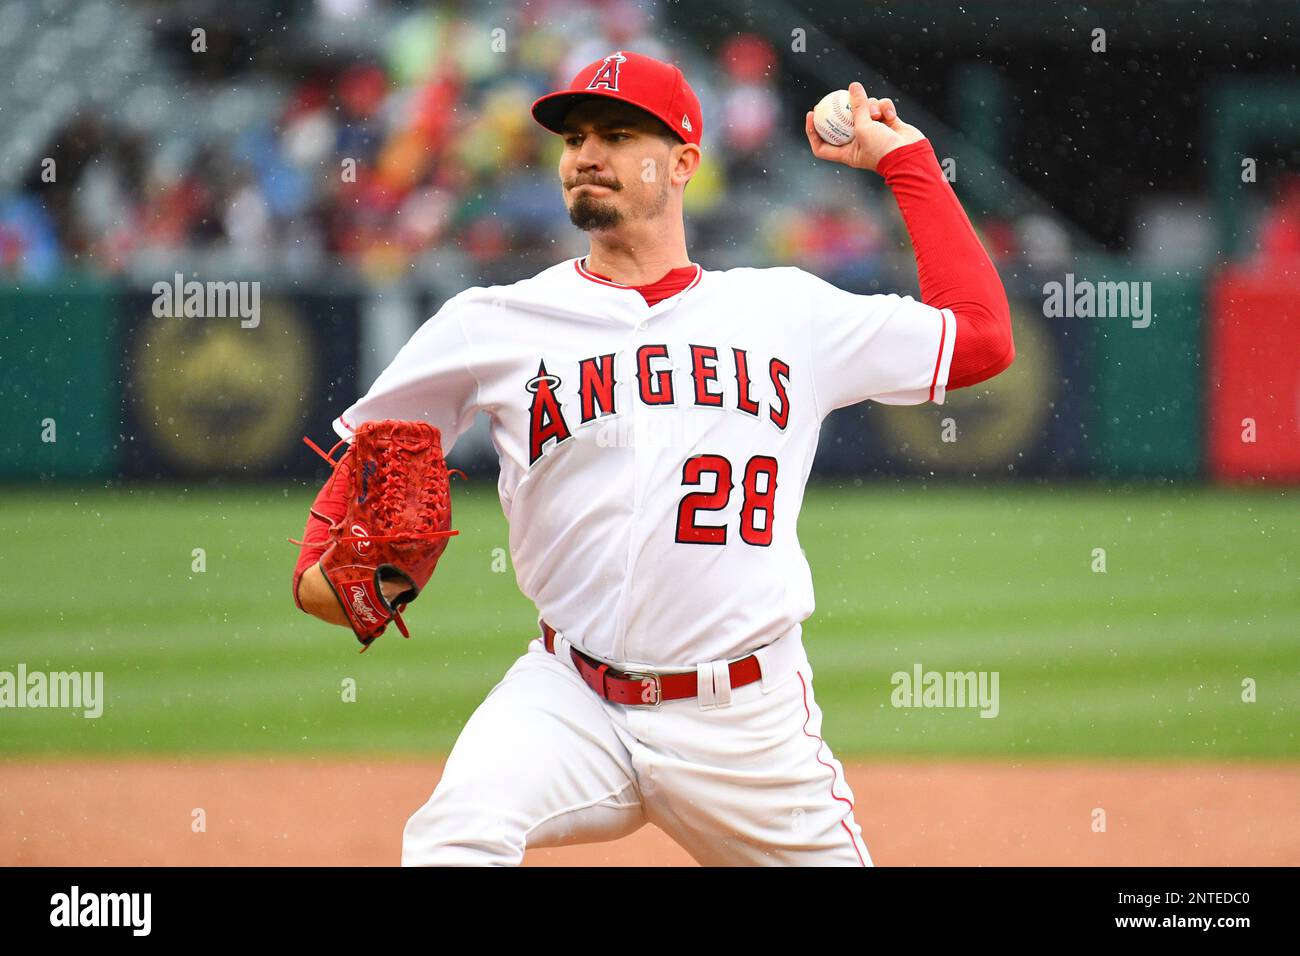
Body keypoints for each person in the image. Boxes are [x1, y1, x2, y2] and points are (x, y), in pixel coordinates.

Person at [292, 51, 1013, 866]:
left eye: (618, 133)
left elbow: (983, 337)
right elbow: (339, 526)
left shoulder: (787, 311)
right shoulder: (488, 324)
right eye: (574, 138)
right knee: (455, 836)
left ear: (682, 164)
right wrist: (346, 582)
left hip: (745, 721)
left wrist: (906, 160)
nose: (587, 154)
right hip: (569, 696)